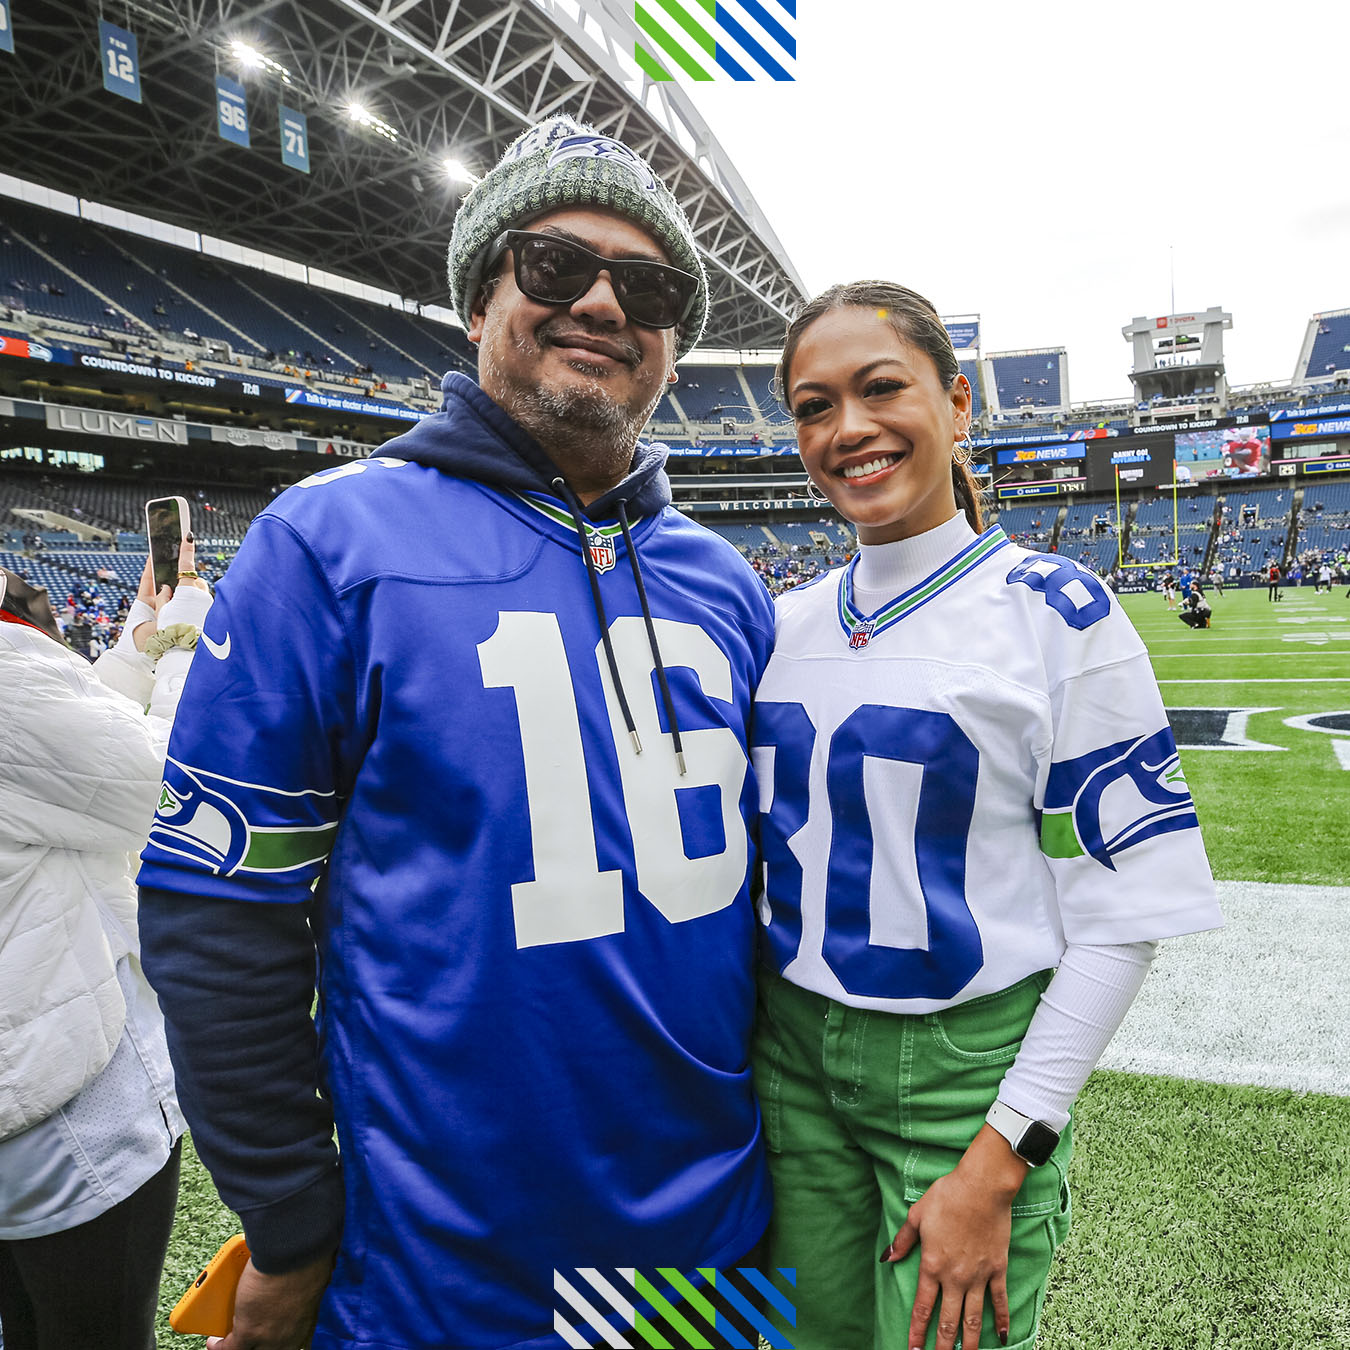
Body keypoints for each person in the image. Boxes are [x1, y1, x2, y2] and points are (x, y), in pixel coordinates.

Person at [136, 115, 775, 1350]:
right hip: (448, 1265)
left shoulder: (727, 585)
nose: (599, 300)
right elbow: (220, 917)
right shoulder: (330, 544)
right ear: (480, 294)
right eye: (552, 265)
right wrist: (288, 1216)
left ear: (674, 343)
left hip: (715, 1249)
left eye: (644, 286)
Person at [750, 282, 1222, 1350]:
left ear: (958, 403)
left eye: (881, 389)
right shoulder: (775, 623)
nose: (849, 429)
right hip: (787, 1058)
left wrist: (1005, 1152)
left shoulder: (1058, 615)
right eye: (814, 406)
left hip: (963, 1071)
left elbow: (1120, 918)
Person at [0, 548, 211, 1350]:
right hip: (57, 1109)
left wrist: (135, 648)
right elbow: (180, 795)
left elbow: (56, 764)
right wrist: (184, 643)